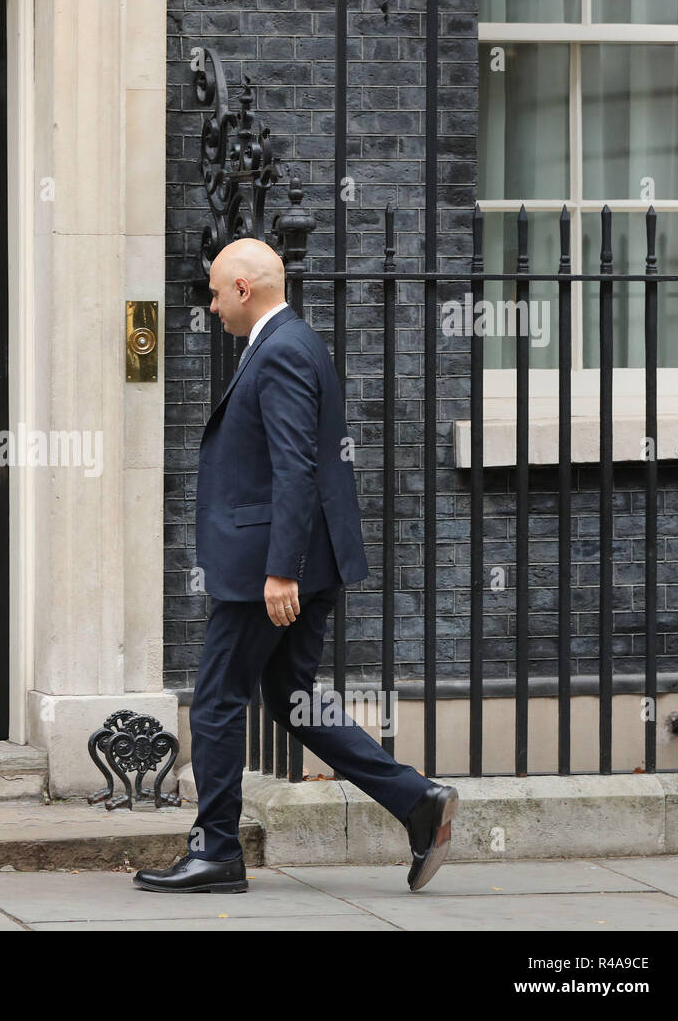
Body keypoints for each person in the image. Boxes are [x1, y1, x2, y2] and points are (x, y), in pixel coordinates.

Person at [133, 238, 458, 894]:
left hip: (271, 570)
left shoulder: (279, 351)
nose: (213, 304)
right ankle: (416, 800)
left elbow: (296, 466)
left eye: (217, 291)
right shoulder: (294, 342)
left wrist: (279, 570)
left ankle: (217, 851)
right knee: (292, 697)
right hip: (306, 561)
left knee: (220, 703)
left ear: (245, 290)